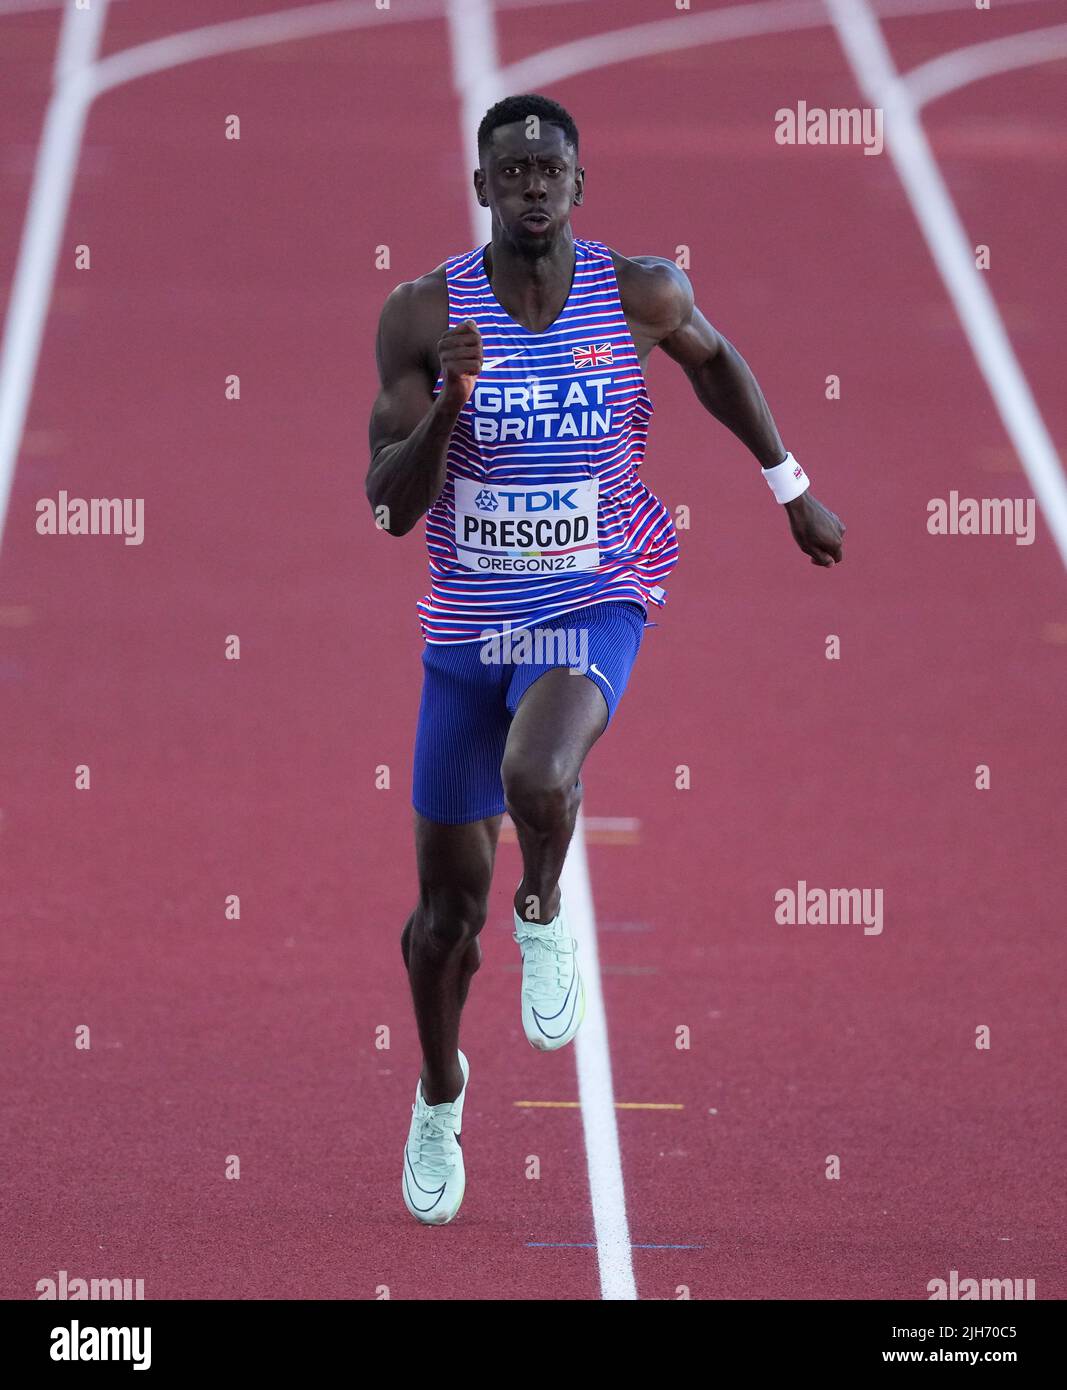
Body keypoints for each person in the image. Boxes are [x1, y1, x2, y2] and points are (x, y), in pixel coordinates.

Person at [366, 94, 845, 1225]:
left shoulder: (640, 292)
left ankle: (544, 909)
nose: (531, 183)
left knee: (539, 778)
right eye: (510, 168)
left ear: (580, 186)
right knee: (439, 926)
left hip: (597, 593)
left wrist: (790, 487)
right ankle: (440, 1092)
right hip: (467, 628)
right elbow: (387, 507)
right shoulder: (423, 315)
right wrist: (449, 408)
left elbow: (715, 363)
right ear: (481, 189)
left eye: (550, 167)